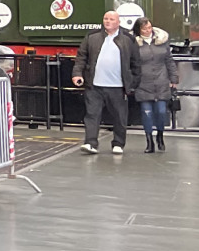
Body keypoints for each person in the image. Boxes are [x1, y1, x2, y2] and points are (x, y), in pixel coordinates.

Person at [70, 9, 138, 155]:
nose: (108, 21)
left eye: (111, 19)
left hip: (118, 87)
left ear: (118, 22)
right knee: (92, 115)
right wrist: (77, 74)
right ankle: (91, 143)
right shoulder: (92, 37)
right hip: (94, 85)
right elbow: (81, 57)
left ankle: (118, 143)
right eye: (106, 18)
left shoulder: (128, 39)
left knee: (119, 117)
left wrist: (132, 84)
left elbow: (135, 63)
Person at [130, 16, 177, 153]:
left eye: (149, 28)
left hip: (161, 82)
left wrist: (173, 78)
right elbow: (130, 64)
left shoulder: (162, 41)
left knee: (161, 112)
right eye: (144, 29)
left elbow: (169, 60)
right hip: (143, 83)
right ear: (139, 30)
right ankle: (149, 141)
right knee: (147, 113)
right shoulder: (133, 44)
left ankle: (160, 136)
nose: (147, 31)